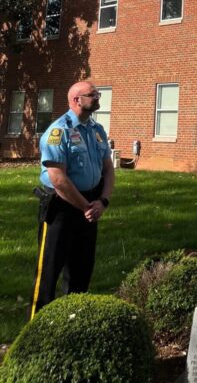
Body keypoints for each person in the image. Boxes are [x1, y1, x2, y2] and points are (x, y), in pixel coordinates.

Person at [30, 80, 114, 319]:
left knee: (81, 271)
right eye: (93, 95)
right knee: (49, 272)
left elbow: (108, 169)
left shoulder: (96, 131)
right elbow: (58, 179)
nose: (98, 98)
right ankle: (35, 333)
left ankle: (72, 324)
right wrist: (85, 206)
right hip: (61, 207)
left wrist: (103, 201)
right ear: (77, 100)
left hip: (90, 207)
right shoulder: (58, 132)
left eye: (97, 94)